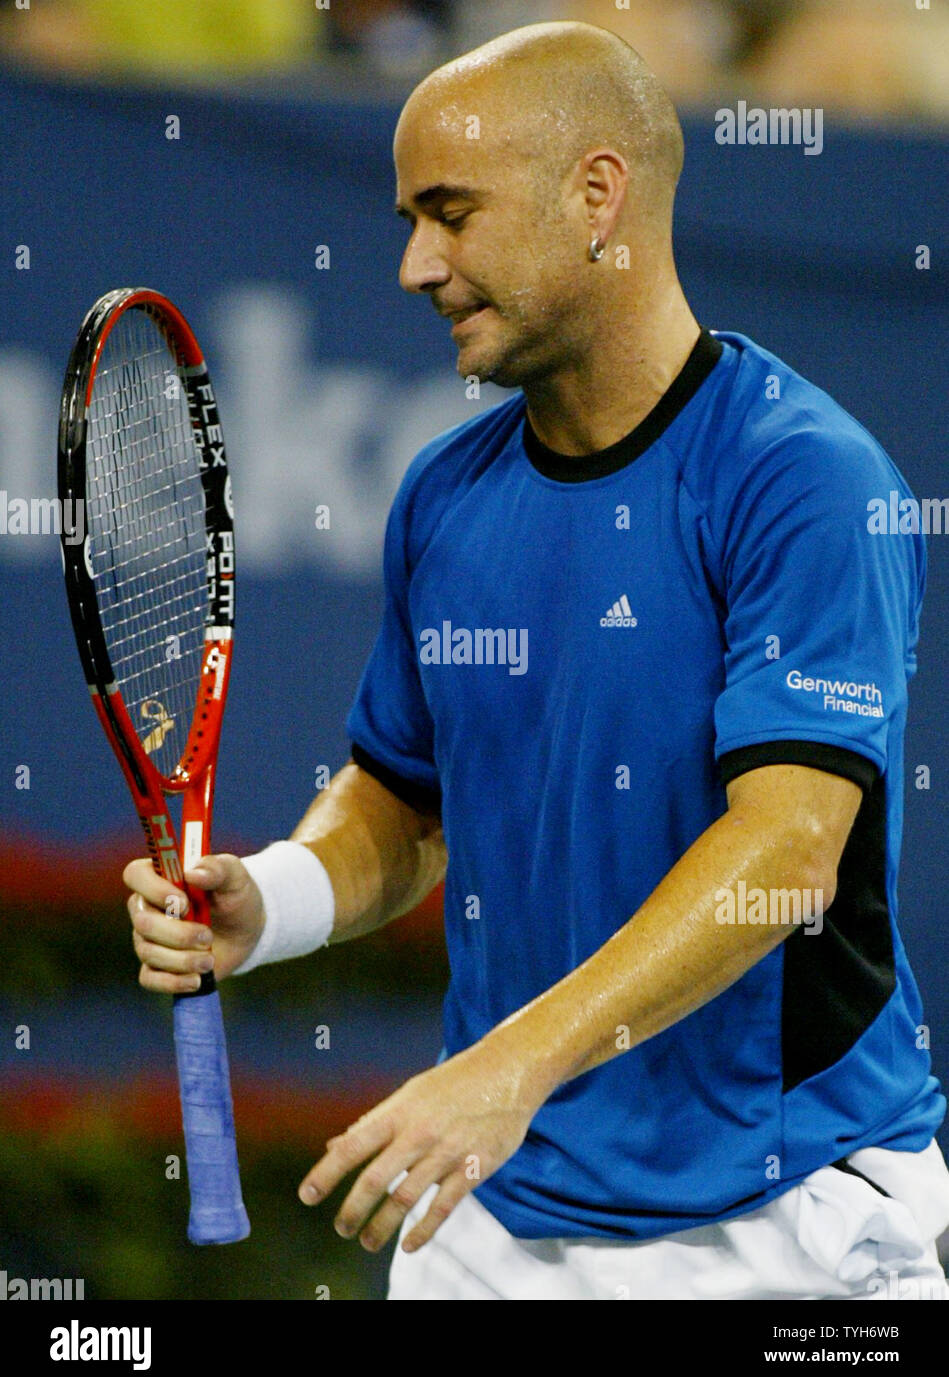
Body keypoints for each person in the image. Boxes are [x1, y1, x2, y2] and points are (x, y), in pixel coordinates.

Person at [124, 21, 949, 1300]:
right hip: (495, 1220)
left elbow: (785, 856)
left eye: (451, 213)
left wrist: (513, 1065)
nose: (413, 264)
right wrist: (273, 899)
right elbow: (405, 797)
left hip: (785, 1217)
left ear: (597, 195)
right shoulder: (443, 499)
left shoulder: (805, 478)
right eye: (407, 219)